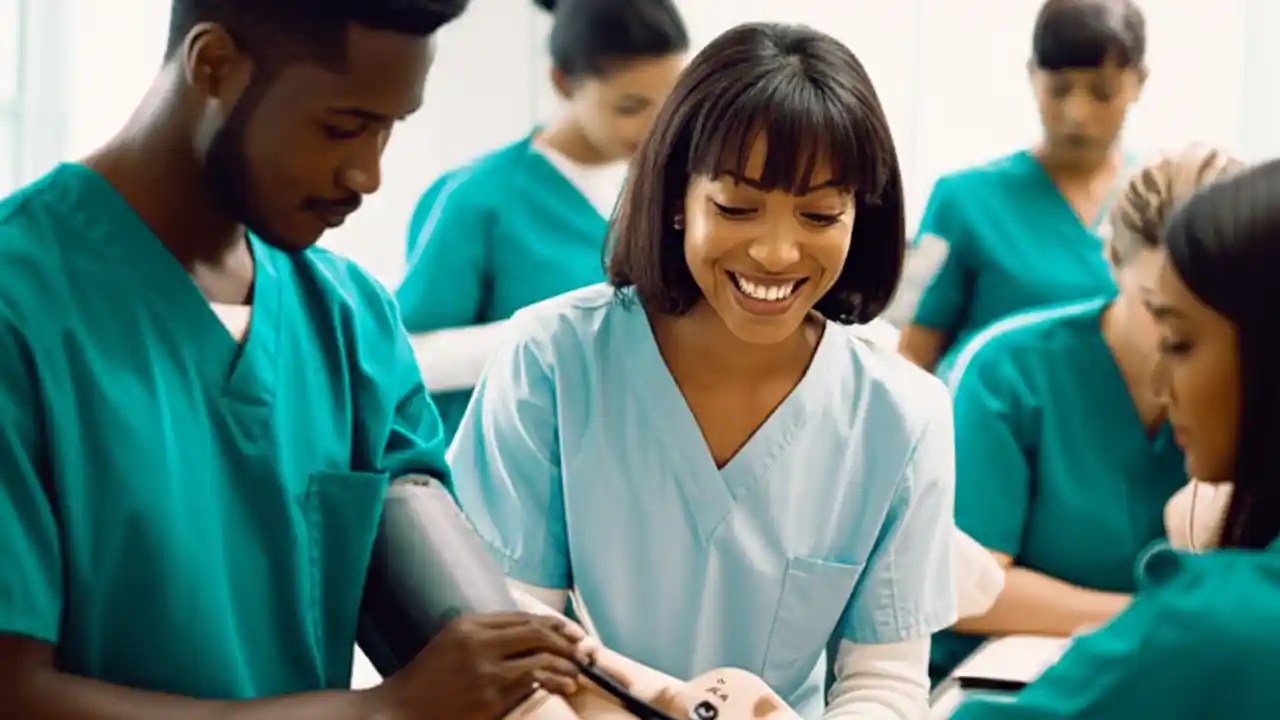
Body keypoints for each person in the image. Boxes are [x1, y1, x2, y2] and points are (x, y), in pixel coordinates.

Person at [0, 2, 595, 718]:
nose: (368, 174)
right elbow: (15, 692)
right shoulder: (19, 303)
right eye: (342, 126)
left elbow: (466, 642)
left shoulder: (352, 319)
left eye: (389, 127)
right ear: (213, 64)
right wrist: (383, 713)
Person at [449, 22, 958, 720]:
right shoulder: (552, 359)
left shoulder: (902, 413)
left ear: (859, 218)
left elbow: (886, 683)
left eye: (818, 215)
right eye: (736, 208)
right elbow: (509, 639)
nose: (777, 252)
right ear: (676, 201)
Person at [948, 158, 1280, 720]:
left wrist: (1174, 616)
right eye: (1158, 320)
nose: (1161, 383)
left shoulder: (1221, 622)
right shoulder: (1011, 371)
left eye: (1181, 341)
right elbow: (962, 591)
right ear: (1112, 262)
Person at [396, 0, 688, 442]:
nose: (656, 128)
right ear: (562, 82)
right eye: (630, 107)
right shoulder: (478, 199)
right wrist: (552, 335)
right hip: (509, 460)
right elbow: (405, 356)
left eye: (672, 104)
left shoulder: (679, 191)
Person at [899, 0, 1146, 379]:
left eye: (1102, 92)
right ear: (1032, 75)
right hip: (987, 416)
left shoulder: (1159, 204)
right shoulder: (962, 201)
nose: (1077, 113)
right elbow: (909, 358)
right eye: (1059, 90)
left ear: (1139, 82)